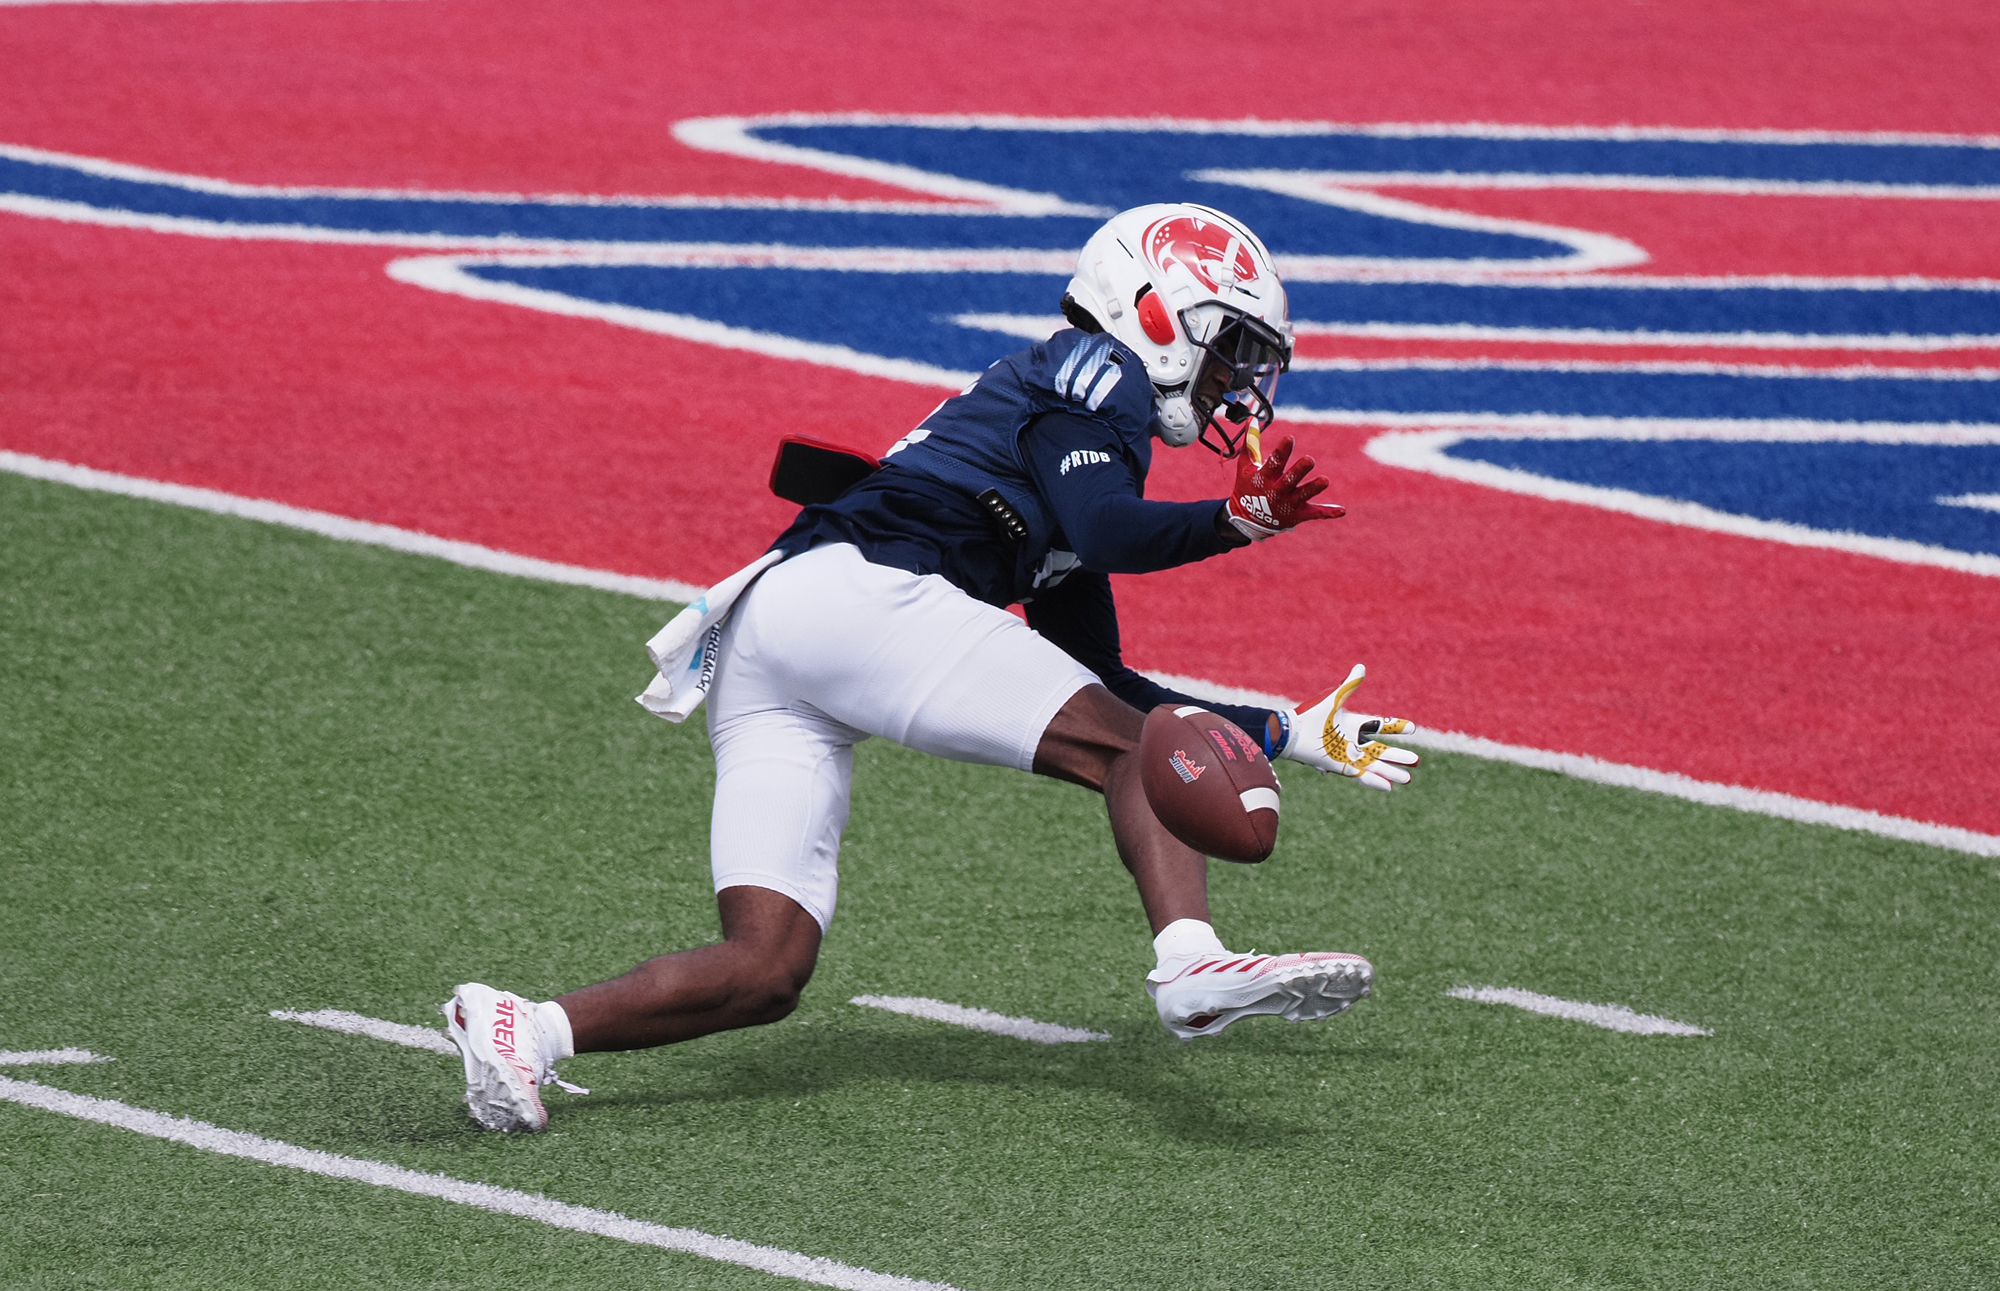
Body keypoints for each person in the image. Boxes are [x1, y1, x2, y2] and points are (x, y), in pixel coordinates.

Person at [443, 203, 1421, 1132]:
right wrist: (1235, 520)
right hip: (856, 598)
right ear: (1154, 309)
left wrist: (1285, 731)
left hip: (776, 631)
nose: (1231, 385)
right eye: (1227, 351)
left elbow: (1104, 680)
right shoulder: (1095, 370)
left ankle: (522, 1029)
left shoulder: (1060, 436)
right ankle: (1188, 964)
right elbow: (1111, 549)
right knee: (1128, 754)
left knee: (766, 966)